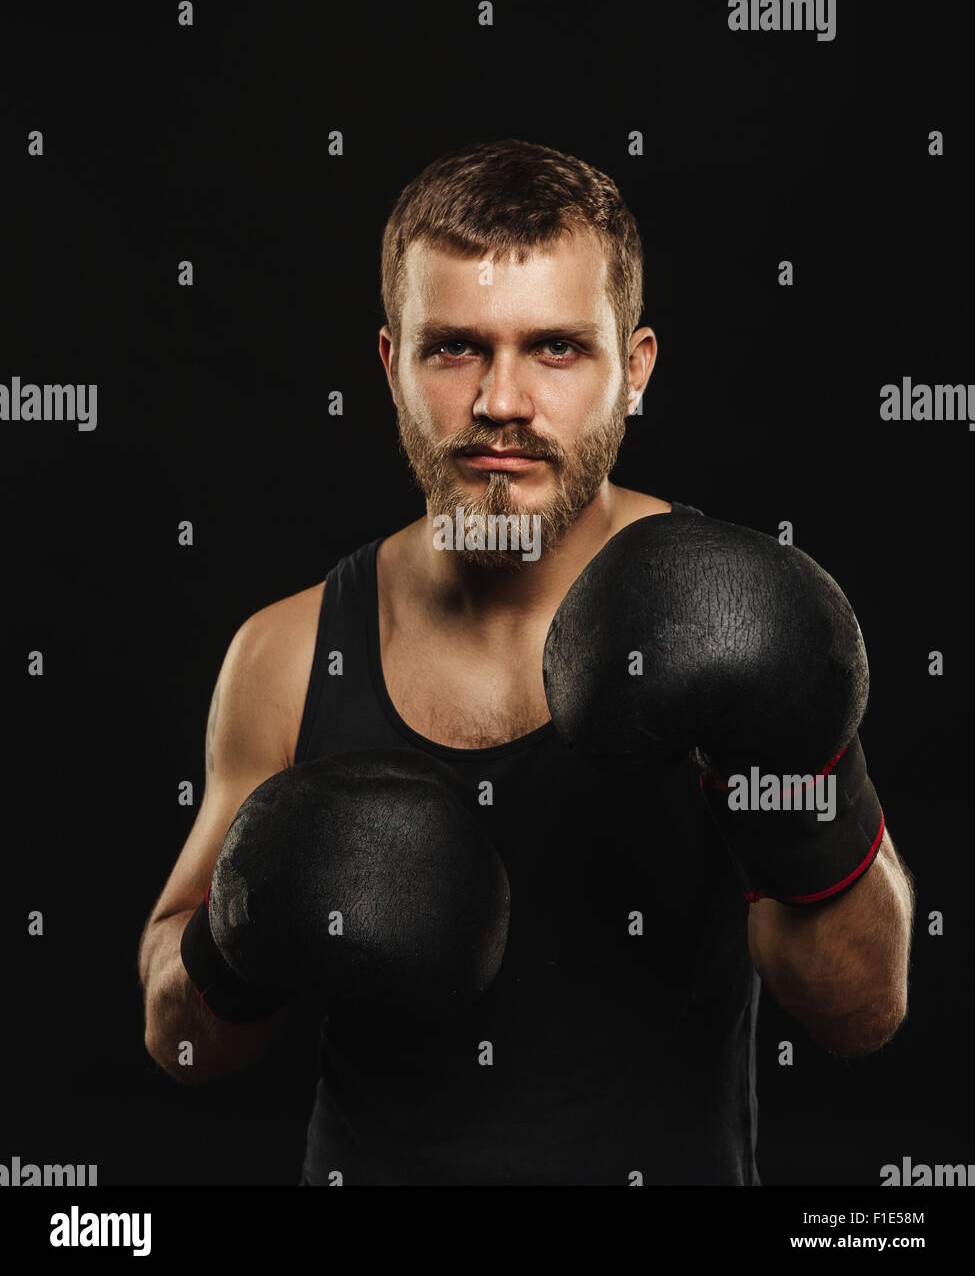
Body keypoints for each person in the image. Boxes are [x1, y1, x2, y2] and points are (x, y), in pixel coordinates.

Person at [138, 138, 914, 1186]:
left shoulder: (727, 610)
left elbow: (864, 1011)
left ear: (634, 369)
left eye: (555, 348)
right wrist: (240, 943)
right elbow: (180, 1044)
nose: (502, 401)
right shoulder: (289, 652)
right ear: (390, 364)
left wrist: (805, 788)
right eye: (455, 348)